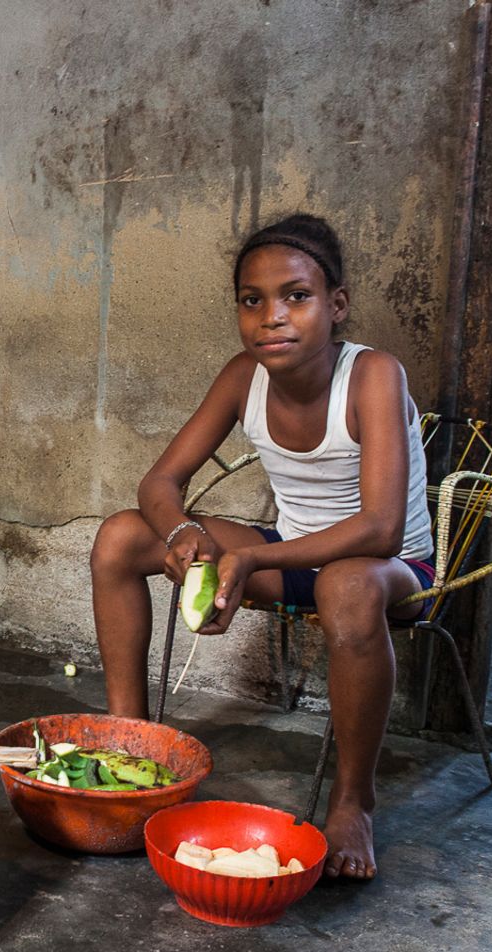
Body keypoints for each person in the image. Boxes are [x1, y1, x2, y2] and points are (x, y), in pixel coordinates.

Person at [89, 214, 436, 881]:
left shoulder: (371, 377)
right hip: (293, 557)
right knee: (119, 537)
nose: (272, 316)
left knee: (347, 584)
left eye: (296, 296)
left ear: (336, 305)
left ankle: (353, 800)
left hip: (390, 573)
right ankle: (132, 748)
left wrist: (251, 558)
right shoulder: (243, 375)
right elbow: (161, 480)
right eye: (253, 300)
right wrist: (181, 531)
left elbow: (381, 528)